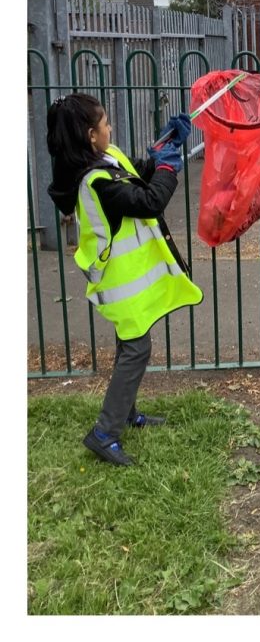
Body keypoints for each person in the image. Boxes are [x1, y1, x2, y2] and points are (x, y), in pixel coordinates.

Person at [46, 94, 203, 465]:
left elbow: (137, 174)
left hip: (125, 280)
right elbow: (148, 201)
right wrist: (167, 170)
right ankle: (105, 432)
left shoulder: (106, 157)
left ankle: (127, 414)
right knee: (137, 349)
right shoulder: (95, 182)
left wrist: (164, 149)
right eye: (105, 125)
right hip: (118, 282)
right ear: (90, 135)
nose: (110, 128)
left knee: (129, 344)